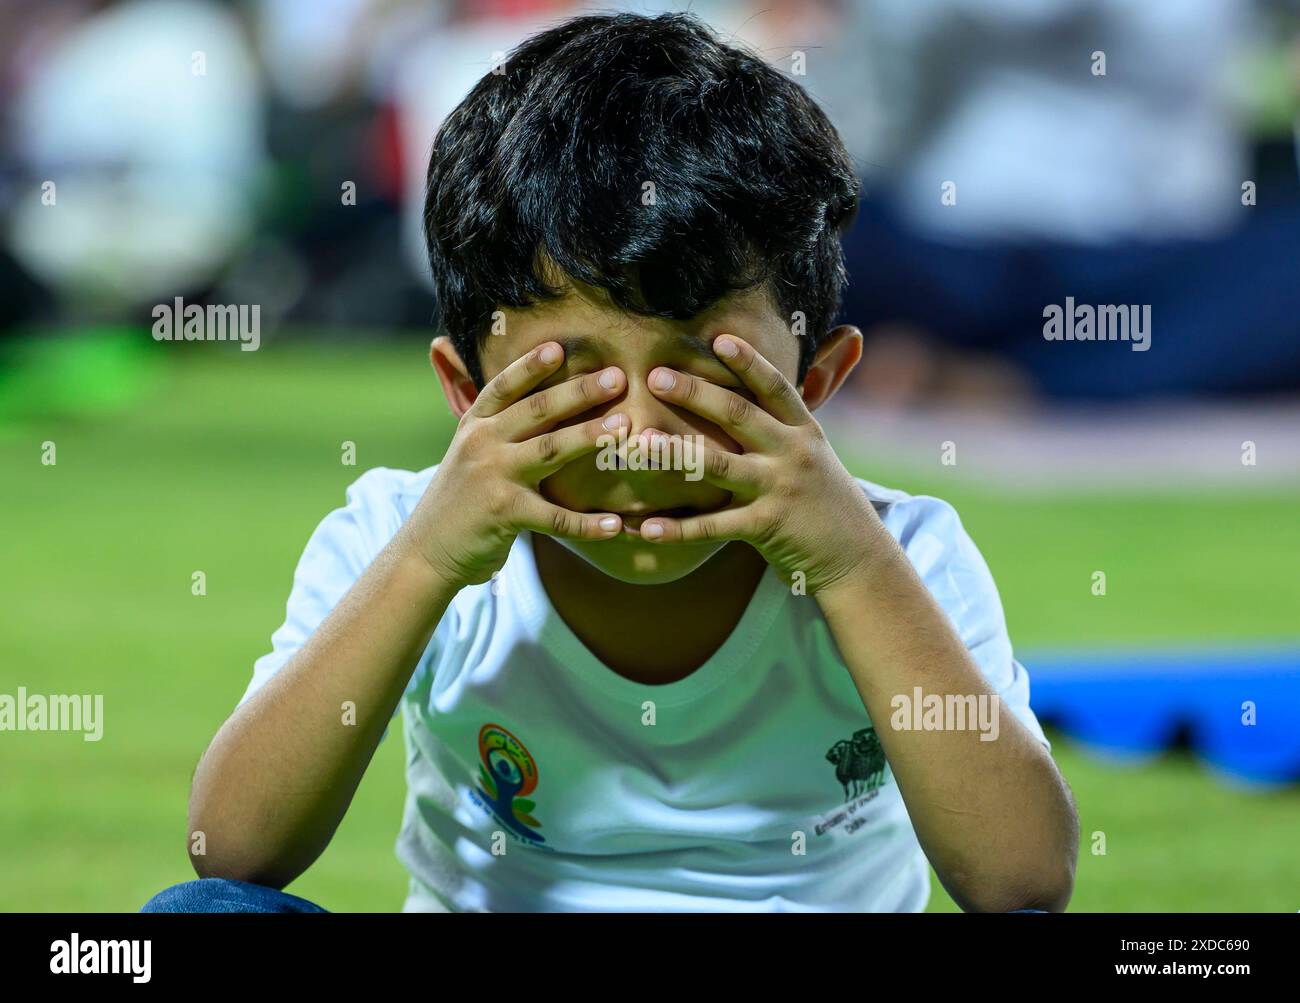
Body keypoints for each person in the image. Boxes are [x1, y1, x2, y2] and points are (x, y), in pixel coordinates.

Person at [143, 12, 1077, 914]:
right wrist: (427, 563)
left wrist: (851, 563)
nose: (639, 432)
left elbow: (1023, 880)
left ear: (819, 383)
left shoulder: (901, 552)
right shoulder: (401, 535)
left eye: (703, 375)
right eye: (574, 381)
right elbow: (231, 853)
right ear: (468, 396)